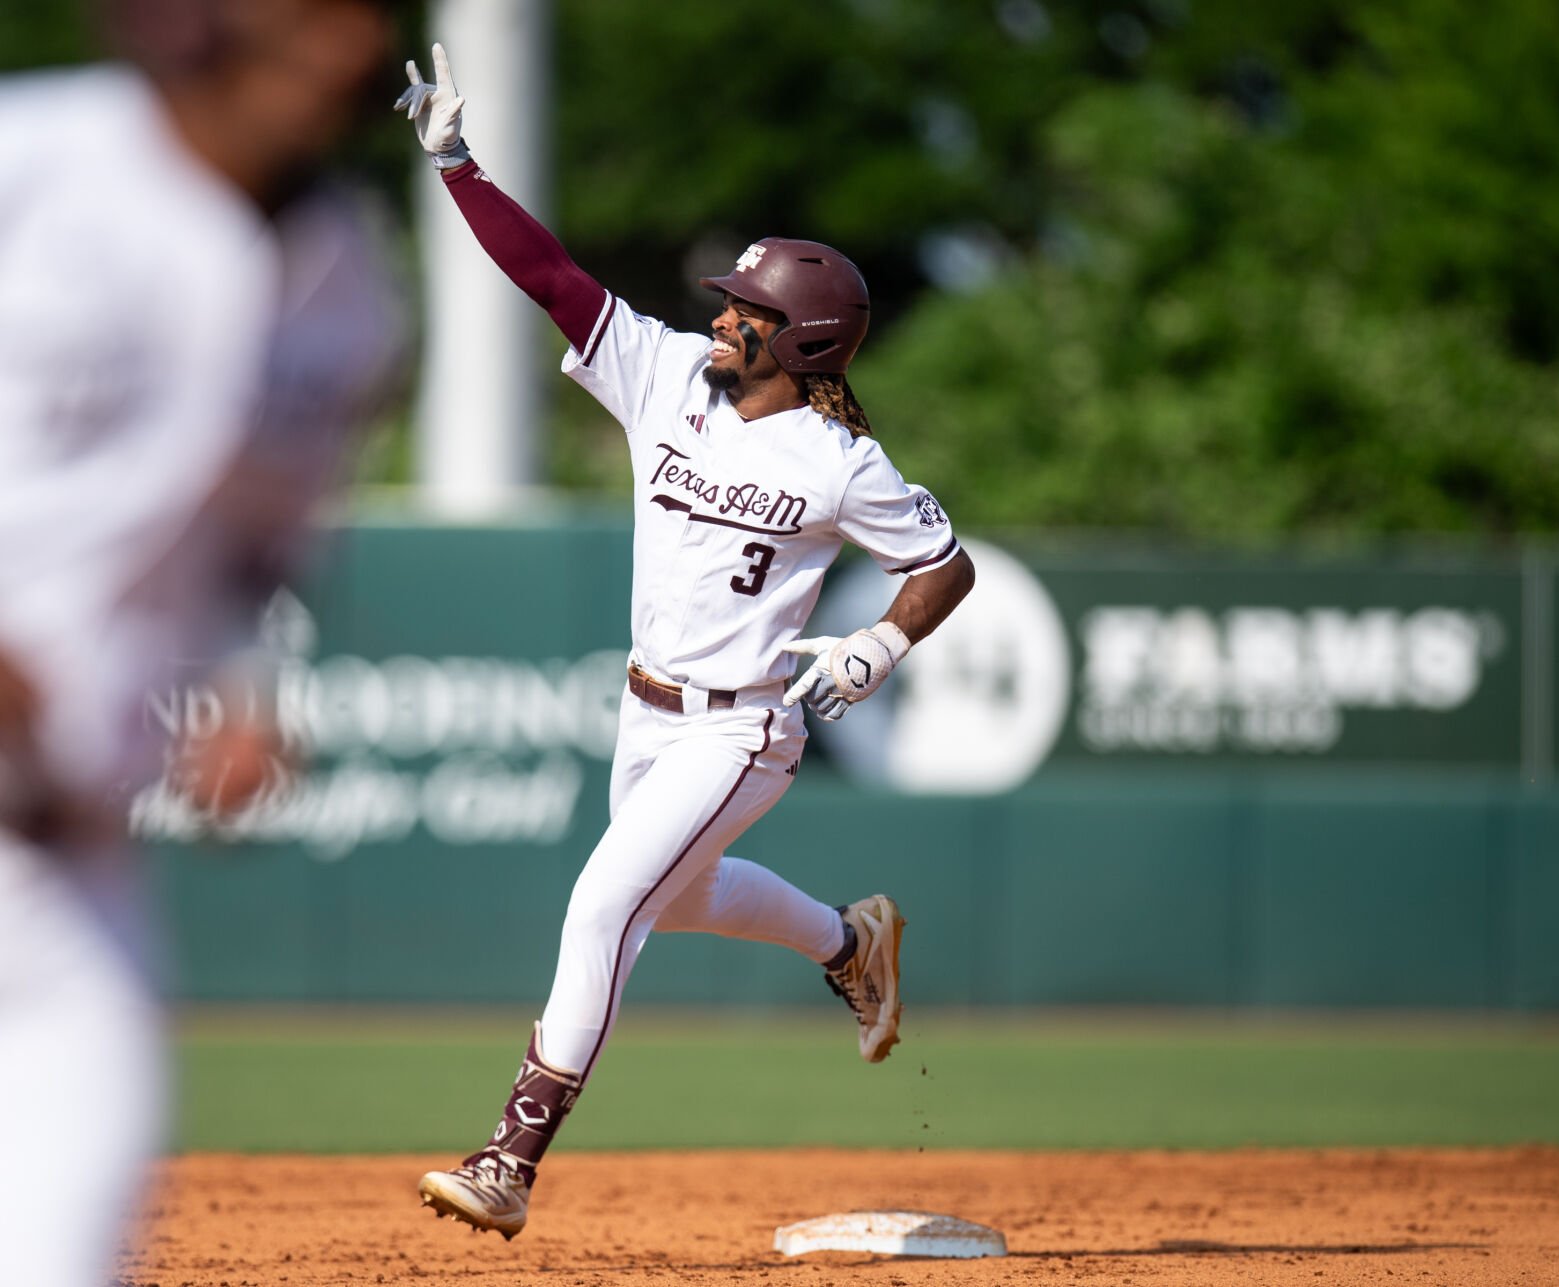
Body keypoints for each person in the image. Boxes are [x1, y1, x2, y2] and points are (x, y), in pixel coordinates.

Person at [395, 44, 977, 1241]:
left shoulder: (841, 463)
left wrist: (876, 647)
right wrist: (458, 165)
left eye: (747, 312)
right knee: (687, 892)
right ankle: (847, 940)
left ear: (803, 341)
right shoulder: (666, 376)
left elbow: (943, 565)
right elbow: (552, 278)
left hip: (742, 728)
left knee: (605, 903)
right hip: (645, 712)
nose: (721, 316)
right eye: (728, 303)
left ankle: (510, 1158)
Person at [0, 3, 403, 1284]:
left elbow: (253, 558)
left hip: (56, 861)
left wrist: (246, 688)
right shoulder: (34, 163)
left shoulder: (346, 285)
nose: (343, 43)